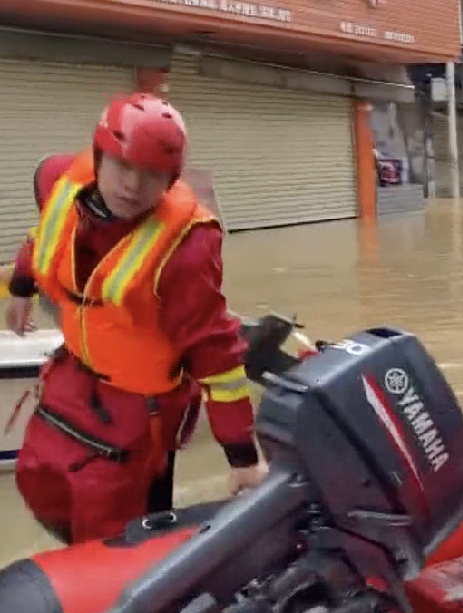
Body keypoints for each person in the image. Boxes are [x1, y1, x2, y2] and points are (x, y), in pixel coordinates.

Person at [3, 93, 268, 544]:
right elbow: (46, 235)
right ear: (99, 157)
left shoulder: (187, 250)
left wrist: (242, 458)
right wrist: (22, 287)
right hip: (77, 375)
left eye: (152, 175)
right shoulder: (63, 183)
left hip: (141, 410)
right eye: (123, 167)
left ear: (171, 180)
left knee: (124, 530)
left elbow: (216, 357)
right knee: (40, 480)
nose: (132, 185)